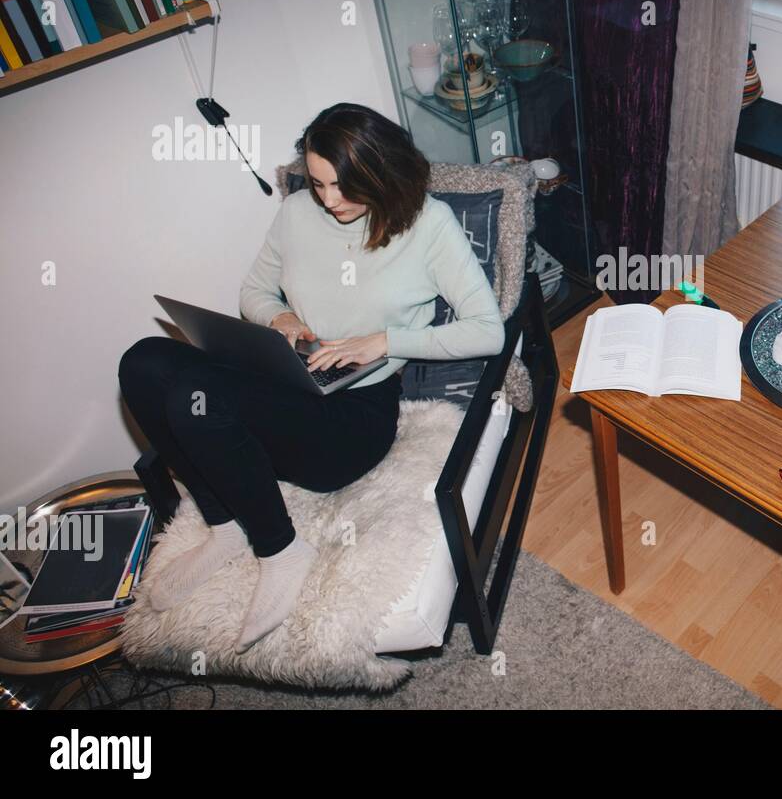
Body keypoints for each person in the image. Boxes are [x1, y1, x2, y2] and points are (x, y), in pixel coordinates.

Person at [118, 103, 504, 652]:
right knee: (143, 362)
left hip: (352, 417)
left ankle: (279, 549)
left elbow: (487, 330)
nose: (328, 200)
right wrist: (281, 319)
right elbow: (253, 291)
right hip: (288, 376)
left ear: (381, 172)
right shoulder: (298, 212)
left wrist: (386, 342)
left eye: (342, 187)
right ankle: (225, 528)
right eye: (318, 183)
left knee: (194, 397)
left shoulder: (428, 225)